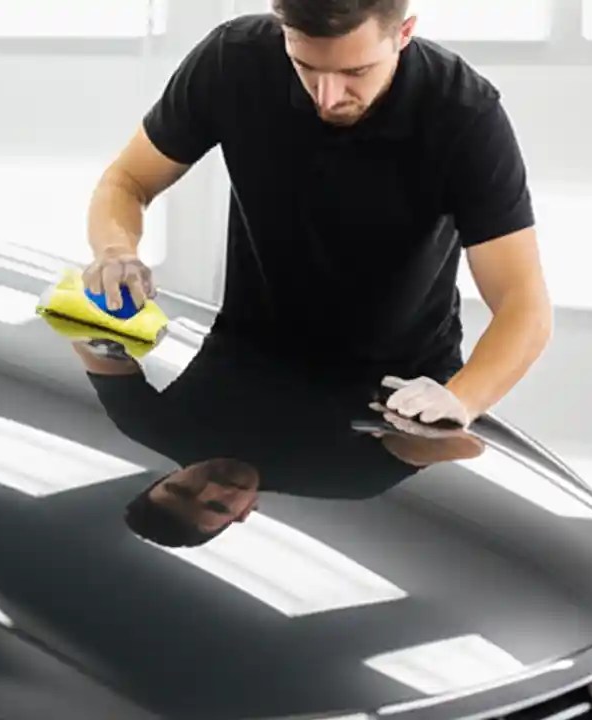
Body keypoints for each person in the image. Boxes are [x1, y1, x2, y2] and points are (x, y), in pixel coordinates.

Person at [82, 0, 553, 430]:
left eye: (356, 71)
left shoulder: (464, 113)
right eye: (305, 65)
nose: (327, 96)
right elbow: (127, 181)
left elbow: (523, 305)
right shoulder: (232, 61)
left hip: (397, 394)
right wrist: (114, 251)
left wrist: (463, 399)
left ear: (404, 33)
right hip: (246, 363)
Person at [68, 333, 484, 547]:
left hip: (271, 278)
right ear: (245, 513)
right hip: (397, 318)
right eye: (216, 505)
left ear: (161, 480)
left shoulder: (148, 424)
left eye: (181, 488)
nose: (213, 486)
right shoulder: (342, 482)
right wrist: (413, 416)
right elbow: (463, 445)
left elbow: (91, 343)